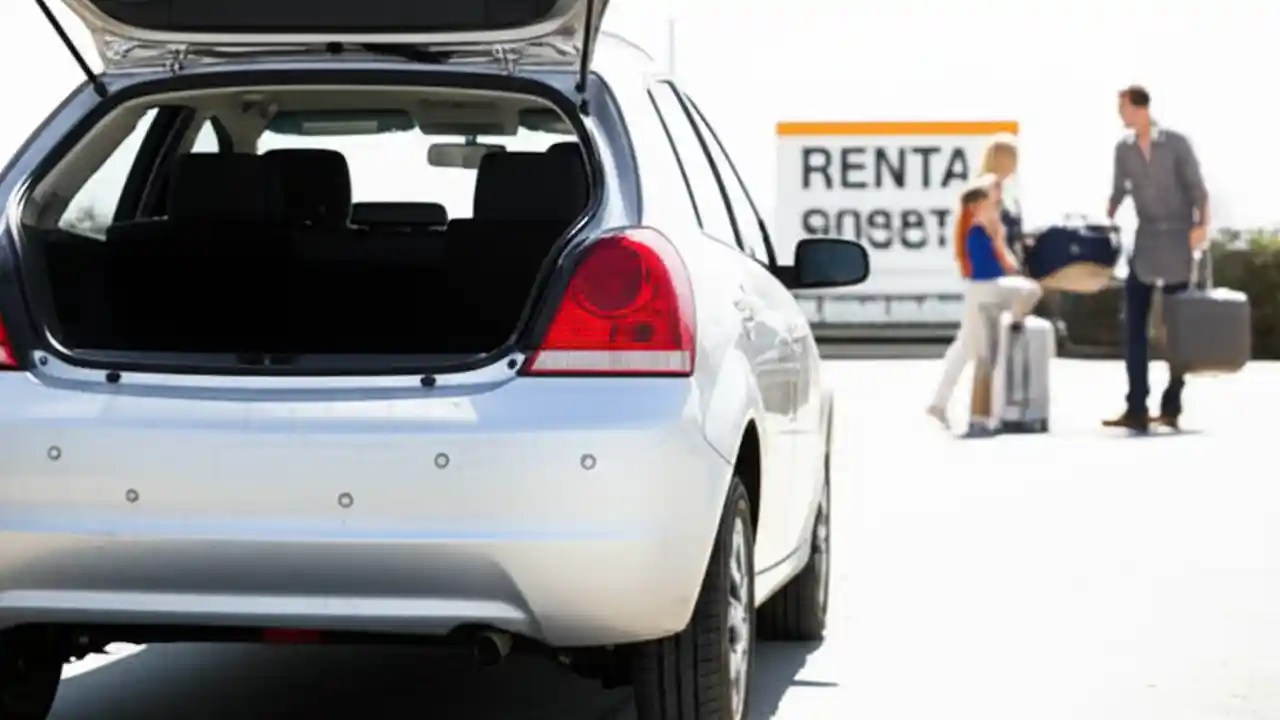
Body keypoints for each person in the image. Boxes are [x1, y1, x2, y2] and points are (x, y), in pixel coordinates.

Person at [1103, 84, 1209, 433]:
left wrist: (1201, 225)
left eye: (1124, 109)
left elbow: (1198, 189)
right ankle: (1136, 405)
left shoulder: (1175, 143)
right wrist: (1108, 214)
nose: (1121, 115)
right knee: (1134, 323)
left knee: (1180, 326)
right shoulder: (1124, 150)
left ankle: (1172, 405)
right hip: (1146, 240)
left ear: (1140, 108)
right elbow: (1119, 189)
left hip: (1179, 238)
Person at [927, 180, 1043, 437]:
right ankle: (977, 417)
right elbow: (998, 261)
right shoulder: (978, 226)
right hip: (985, 289)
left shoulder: (970, 227)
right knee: (982, 355)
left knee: (967, 349)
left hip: (978, 291)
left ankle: (939, 404)